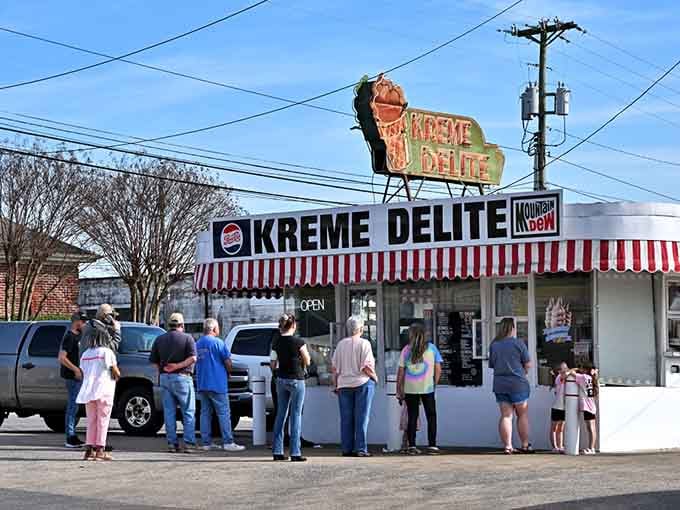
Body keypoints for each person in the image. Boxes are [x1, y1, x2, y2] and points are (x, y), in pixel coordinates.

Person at [149, 312, 198, 453]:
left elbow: (154, 361)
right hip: (183, 377)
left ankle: (172, 443)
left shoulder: (159, 339)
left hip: (165, 378)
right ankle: (189, 443)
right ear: (182, 325)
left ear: (169, 325)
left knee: (169, 412)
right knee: (188, 411)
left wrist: (164, 371)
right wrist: (177, 366)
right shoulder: (188, 338)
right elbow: (193, 358)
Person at [195, 318, 245, 452]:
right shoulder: (218, 343)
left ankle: (206, 442)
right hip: (217, 384)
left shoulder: (198, 344)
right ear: (213, 329)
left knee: (205, 413)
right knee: (223, 413)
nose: (219, 330)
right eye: (218, 327)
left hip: (202, 383)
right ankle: (228, 442)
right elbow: (228, 362)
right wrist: (229, 372)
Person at [331, 315, 378, 458]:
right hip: (362, 383)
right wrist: (375, 377)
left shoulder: (340, 344)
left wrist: (335, 385)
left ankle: (346, 448)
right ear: (361, 328)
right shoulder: (365, 344)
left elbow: (334, 368)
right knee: (362, 417)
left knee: (346, 418)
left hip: (344, 384)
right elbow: (366, 366)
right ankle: (361, 448)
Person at [488, 317, 534, 454]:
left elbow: (492, 365)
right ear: (512, 328)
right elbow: (528, 364)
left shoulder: (494, 345)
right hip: (518, 383)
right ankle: (525, 445)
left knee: (506, 416)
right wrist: (523, 372)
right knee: (522, 414)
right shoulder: (519, 343)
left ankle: (508, 446)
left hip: (500, 384)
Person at [397, 322, 442, 455]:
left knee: (412, 416)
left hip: (410, 389)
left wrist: (399, 388)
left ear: (411, 334)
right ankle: (432, 445)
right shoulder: (432, 348)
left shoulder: (406, 350)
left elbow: (400, 372)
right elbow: (438, 369)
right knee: (431, 416)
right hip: (427, 388)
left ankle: (412, 445)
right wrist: (434, 383)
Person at [76, 325, 120, 461]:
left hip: (88, 390)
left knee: (91, 420)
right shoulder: (107, 352)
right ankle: (100, 450)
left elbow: (82, 372)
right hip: (104, 389)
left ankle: (89, 450)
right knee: (103, 420)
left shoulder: (86, 354)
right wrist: (117, 376)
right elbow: (115, 371)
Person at [270, 314, 309, 462]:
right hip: (297, 379)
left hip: (281, 379)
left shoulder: (276, 342)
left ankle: (277, 451)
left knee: (281, 414)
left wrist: (276, 374)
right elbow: (307, 359)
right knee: (296, 415)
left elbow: (272, 363)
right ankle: (295, 452)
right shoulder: (299, 342)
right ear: (293, 326)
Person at [58, 311, 88, 448]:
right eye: (82, 321)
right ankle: (70, 437)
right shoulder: (69, 337)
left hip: (80, 376)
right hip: (72, 377)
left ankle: (73, 435)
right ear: (76, 321)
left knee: (76, 406)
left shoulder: (80, 336)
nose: (84, 323)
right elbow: (62, 357)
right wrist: (75, 369)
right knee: (72, 406)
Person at [571, 364, 599, 455]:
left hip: (587, 406)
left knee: (590, 428)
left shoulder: (583, 377)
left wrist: (576, 369)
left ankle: (591, 448)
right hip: (591, 405)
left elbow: (571, 372)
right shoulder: (592, 378)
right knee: (591, 428)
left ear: (586, 369)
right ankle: (591, 448)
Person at [550, 362, 569, 453]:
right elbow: (564, 376)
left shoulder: (566, 378)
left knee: (561, 428)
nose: (565, 369)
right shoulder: (559, 377)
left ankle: (560, 446)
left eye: (566, 367)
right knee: (554, 428)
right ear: (559, 370)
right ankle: (554, 447)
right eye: (563, 368)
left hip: (564, 407)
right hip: (557, 407)